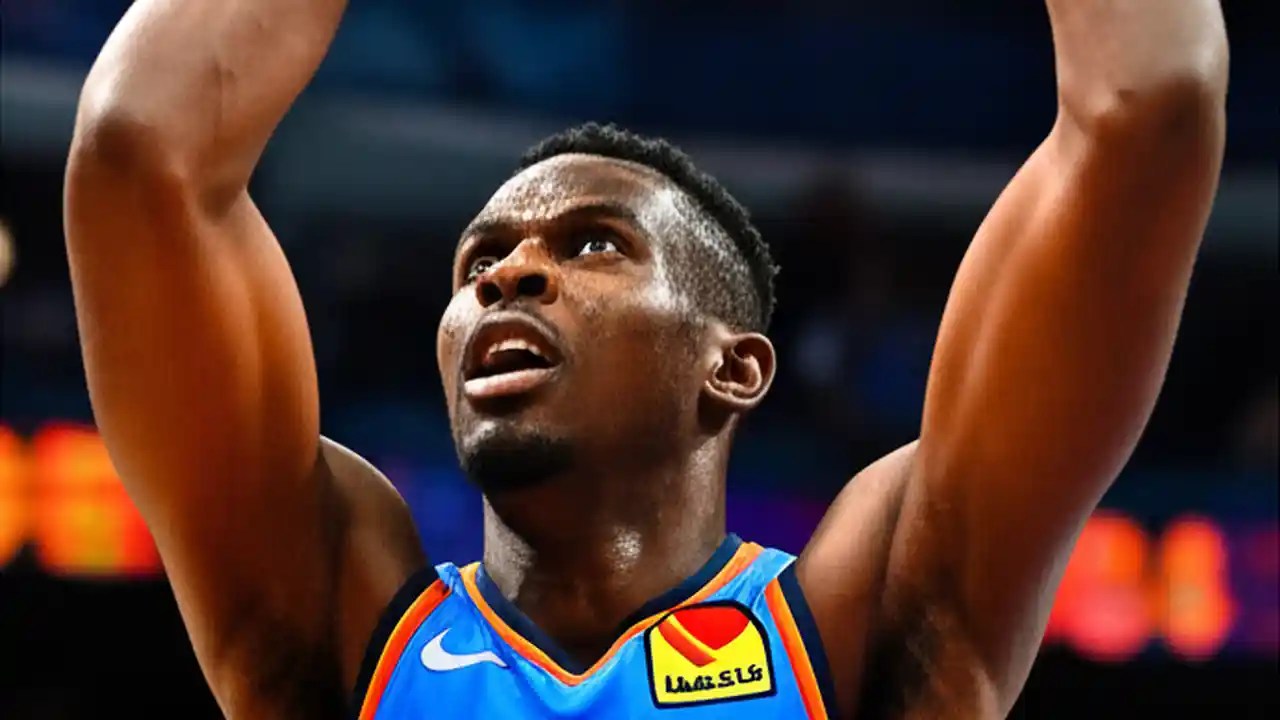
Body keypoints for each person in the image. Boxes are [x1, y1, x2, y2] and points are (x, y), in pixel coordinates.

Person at [62, 1, 1228, 718]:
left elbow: (1147, 103)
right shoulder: (334, 619)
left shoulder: (863, 623)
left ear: (733, 369)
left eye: (591, 246)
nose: (504, 278)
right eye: (478, 263)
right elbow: (138, 154)